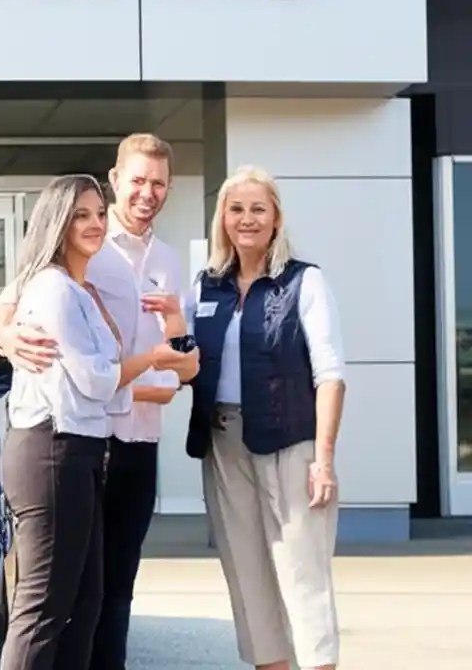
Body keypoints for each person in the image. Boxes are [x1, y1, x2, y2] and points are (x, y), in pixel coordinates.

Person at [0, 133, 199, 670]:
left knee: (108, 591)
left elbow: (189, 366)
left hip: (136, 443)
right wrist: (7, 340)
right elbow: (7, 314)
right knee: (52, 600)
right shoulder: (74, 260)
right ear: (115, 181)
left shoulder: (170, 262)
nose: (146, 193)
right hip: (79, 438)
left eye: (158, 183)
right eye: (137, 181)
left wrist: (177, 330)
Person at [184, 165, 346, 670]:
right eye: (237, 209)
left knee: (303, 576)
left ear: (276, 219)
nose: (247, 219)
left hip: (291, 444)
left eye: (258, 209)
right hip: (224, 445)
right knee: (247, 575)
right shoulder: (206, 286)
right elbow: (183, 357)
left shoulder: (304, 281)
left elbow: (331, 375)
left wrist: (323, 459)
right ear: (223, 219)